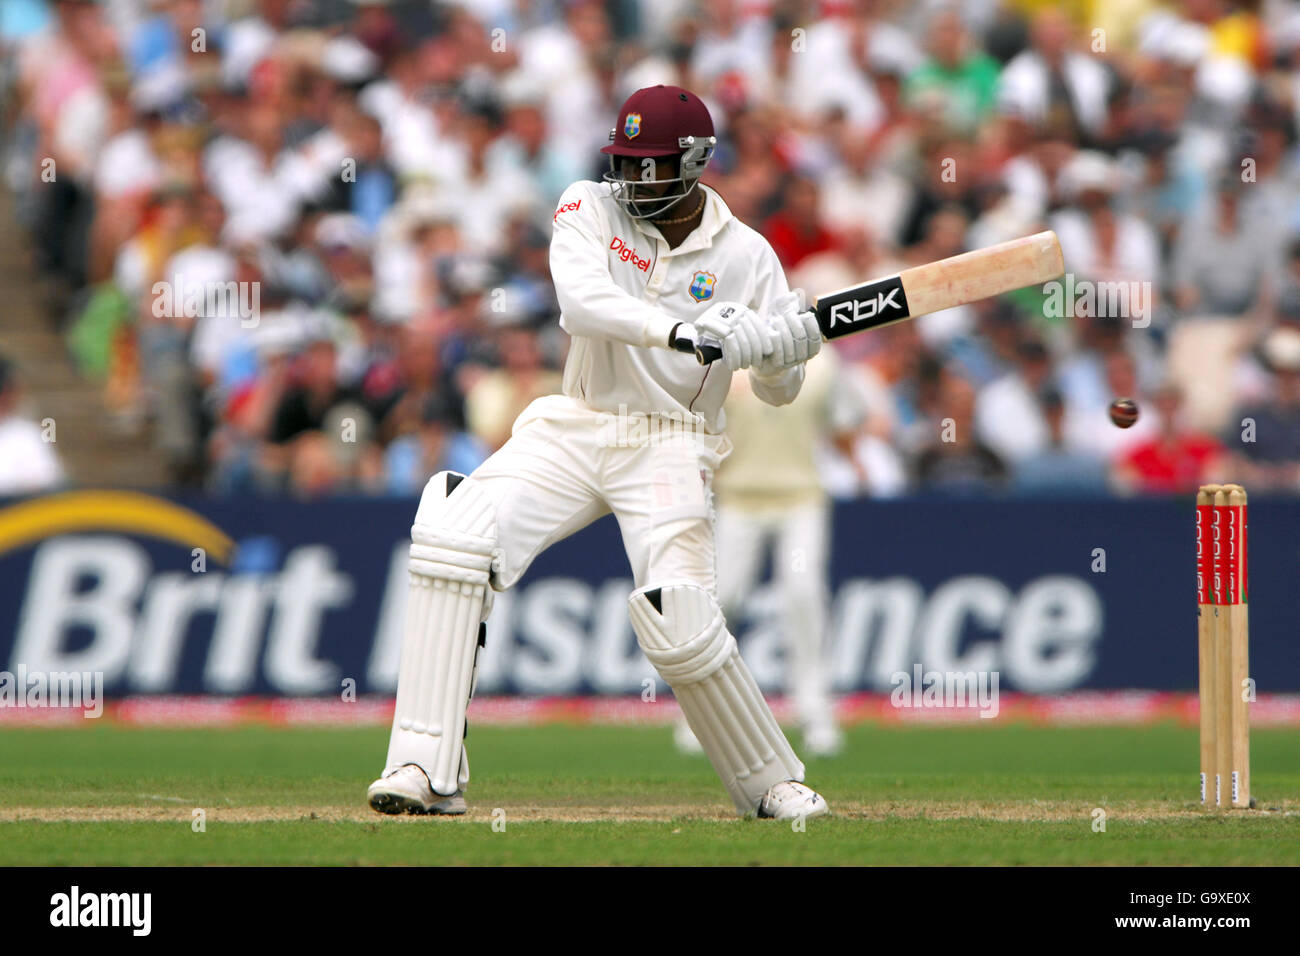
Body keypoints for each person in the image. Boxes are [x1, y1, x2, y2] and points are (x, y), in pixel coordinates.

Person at [367, 86, 829, 821]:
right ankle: (422, 765)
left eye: (653, 169)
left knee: (678, 612)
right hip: (577, 420)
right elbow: (580, 302)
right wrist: (686, 330)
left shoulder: (749, 256)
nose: (635, 183)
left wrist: (777, 352)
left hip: (673, 441)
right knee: (454, 531)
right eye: (628, 164)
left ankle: (771, 782)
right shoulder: (587, 205)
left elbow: (779, 389)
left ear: (698, 163)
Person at [674, 345, 865, 759]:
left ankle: (815, 714)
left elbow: (844, 423)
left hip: (800, 500)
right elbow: (699, 424)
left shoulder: (824, 362)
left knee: (802, 593)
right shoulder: (728, 353)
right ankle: (701, 716)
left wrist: (858, 466)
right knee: (721, 600)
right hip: (738, 501)